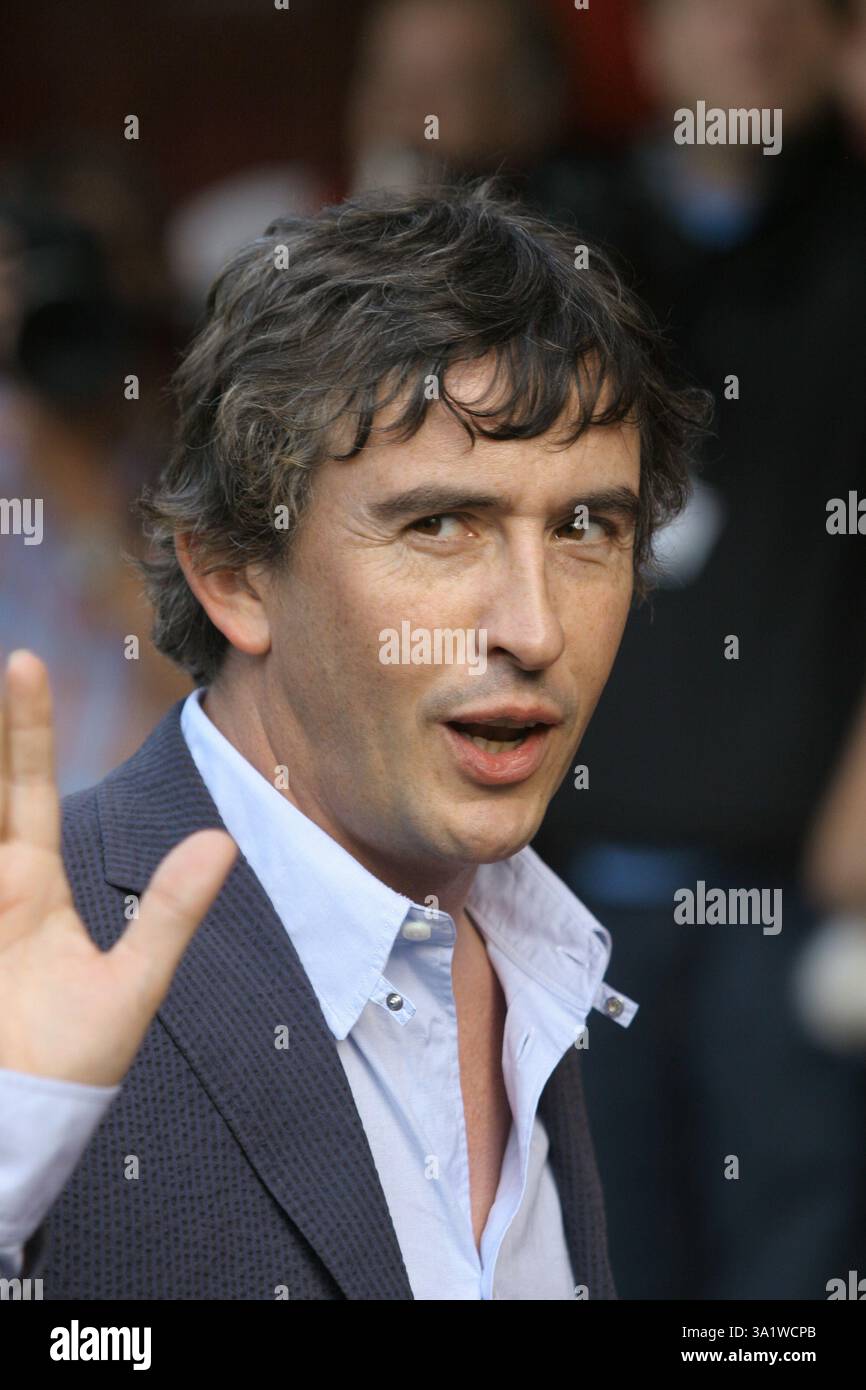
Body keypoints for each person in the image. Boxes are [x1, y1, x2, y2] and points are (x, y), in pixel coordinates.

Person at [0, 181, 706, 1300]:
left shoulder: (544, 954)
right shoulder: (37, 960)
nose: (531, 628)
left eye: (585, 528)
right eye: (438, 524)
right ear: (231, 572)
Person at [525, 0, 866, 1298]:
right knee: (594, 1257)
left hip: (798, 891)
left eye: (795, 6)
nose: (751, 25)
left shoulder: (847, 236)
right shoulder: (549, 239)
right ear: (644, 40)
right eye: (711, 2)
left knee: (795, 1268)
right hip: (563, 887)